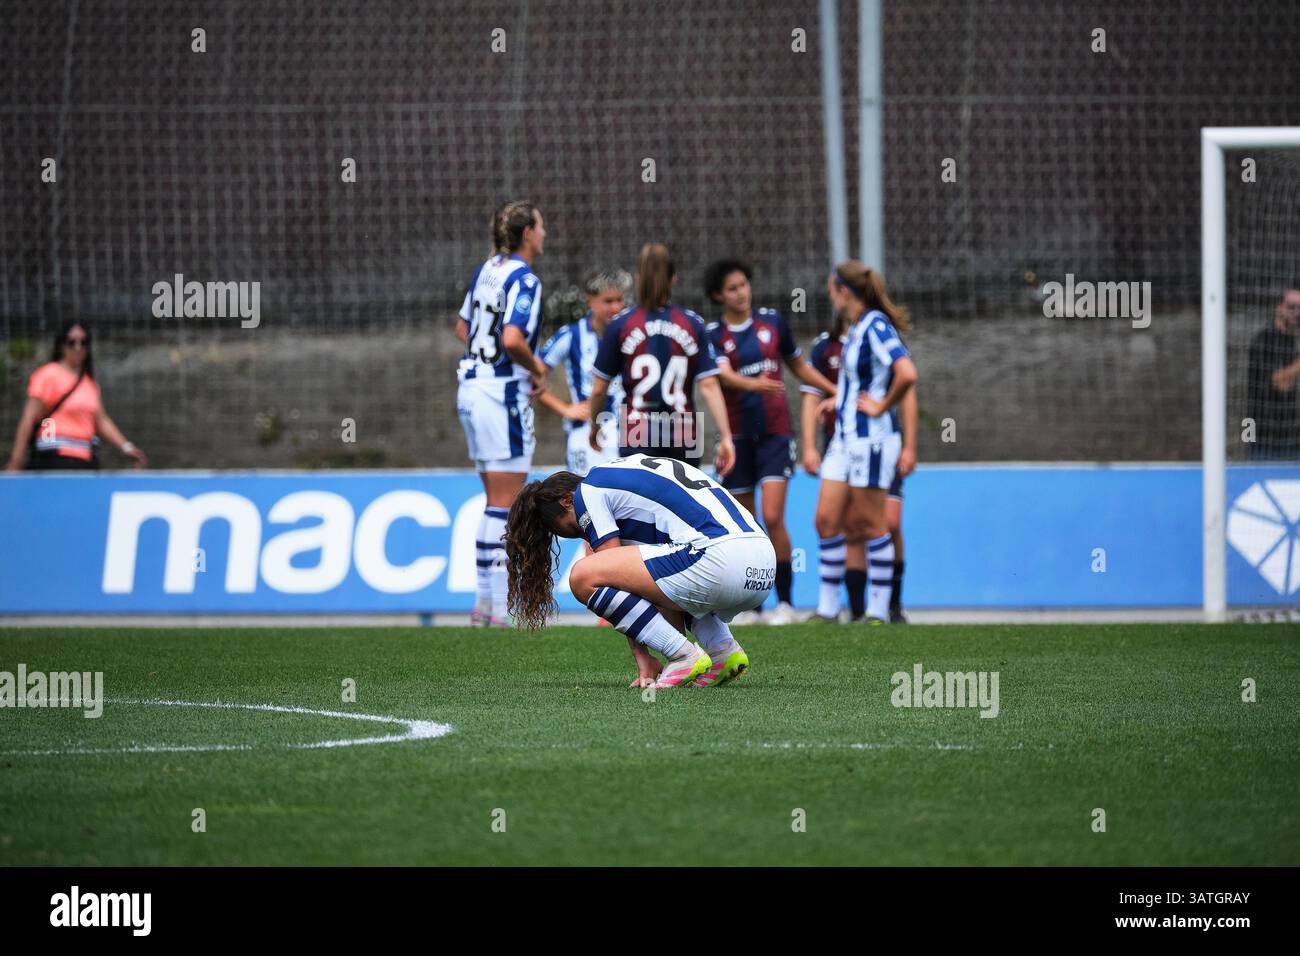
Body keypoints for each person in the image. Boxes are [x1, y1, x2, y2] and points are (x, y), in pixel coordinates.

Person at [503, 453, 773, 689]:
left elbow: (616, 576)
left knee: (582, 576)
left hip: (719, 562)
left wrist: (644, 658)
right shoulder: (626, 474)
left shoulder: (588, 490)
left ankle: (684, 656)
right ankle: (723, 651)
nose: (585, 534)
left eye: (574, 529)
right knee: (664, 570)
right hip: (762, 564)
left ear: (566, 501)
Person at [703, 258, 836, 625]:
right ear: (718, 295)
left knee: (774, 516)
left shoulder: (773, 323)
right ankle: (752, 605)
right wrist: (754, 385)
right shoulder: (713, 335)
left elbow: (799, 367)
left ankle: (786, 603)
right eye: (732, 288)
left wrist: (836, 388)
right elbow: (721, 377)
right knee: (746, 522)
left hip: (776, 434)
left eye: (744, 284)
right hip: (738, 437)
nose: (741, 292)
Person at [455, 200, 549, 627]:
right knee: (506, 502)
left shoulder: (487, 269)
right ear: (528, 233)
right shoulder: (525, 279)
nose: (545, 234)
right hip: (500, 394)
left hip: (471, 389)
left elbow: (463, 328)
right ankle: (493, 608)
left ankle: (485, 605)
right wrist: (537, 367)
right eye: (541, 226)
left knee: (493, 499)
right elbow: (512, 339)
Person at [809, 262, 917, 625]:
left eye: (831, 288)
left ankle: (877, 610)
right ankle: (826, 610)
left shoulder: (875, 325)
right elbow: (861, 383)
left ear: (843, 291)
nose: (829, 296)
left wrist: (883, 405)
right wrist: (839, 401)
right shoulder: (856, 329)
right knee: (825, 519)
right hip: (843, 439)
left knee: (872, 524)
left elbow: (907, 373)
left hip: (871, 439)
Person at [587, 244, 735, 477]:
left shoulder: (621, 325)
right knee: (682, 508)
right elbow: (708, 385)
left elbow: (598, 389)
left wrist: (594, 425)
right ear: (673, 279)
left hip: (637, 431)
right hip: (683, 431)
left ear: (637, 280)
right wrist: (726, 436)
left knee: (641, 508)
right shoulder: (691, 323)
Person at [5, 322, 147, 472]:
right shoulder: (48, 374)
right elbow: (29, 417)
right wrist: (16, 460)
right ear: (62, 345)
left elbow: (101, 420)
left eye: (83, 342)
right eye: (71, 342)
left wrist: (126, 447)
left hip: (86, 458)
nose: (78, 347)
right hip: (54, 455)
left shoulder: (89, 383)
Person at [536, 269, 632, 477]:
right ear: (590, 301)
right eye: (608, 301)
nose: (616, 307)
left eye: (619, 300)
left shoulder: (632, 334)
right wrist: (564, 409)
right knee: (585, 503)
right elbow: (533, 375)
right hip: (585, 434)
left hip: (629, 434)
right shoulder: (571, 335)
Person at [1246, 287, 1300, 460]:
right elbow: (1280, 383)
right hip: (1265, 441)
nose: (1297, 313)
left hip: (1293, 439)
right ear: (1278, 307)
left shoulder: (1294, 341)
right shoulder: (1264, 340)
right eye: (1292, 307)